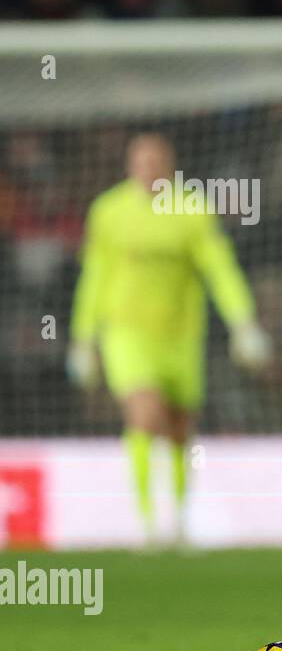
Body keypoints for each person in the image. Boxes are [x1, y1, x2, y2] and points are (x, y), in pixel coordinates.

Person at [68, 134, 270, 546]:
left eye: (156, 162)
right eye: (141, 162)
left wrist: (243, 322)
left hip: (180, 335)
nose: (149, 169)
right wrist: (82, 337)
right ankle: (145, 525)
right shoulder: (108, 211)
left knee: (178, 428)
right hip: (126, 332)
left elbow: (220, 269)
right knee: (145, 415)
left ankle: (177, 521)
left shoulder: (192, 209)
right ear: (129, 166)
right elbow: (95, 276)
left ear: (170, 166)